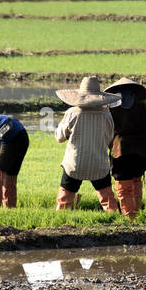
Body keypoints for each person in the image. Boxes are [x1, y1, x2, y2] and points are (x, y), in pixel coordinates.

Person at [53, 76, 120, 212]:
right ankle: (117, 224)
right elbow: (109, 139)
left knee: (64, 200)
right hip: (99, 164)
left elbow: (59, 137)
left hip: (75, 164)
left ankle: (59, 223)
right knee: (107, 199)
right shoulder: (106, 115)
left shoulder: (73, 113)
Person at [107, 77, 146, 217]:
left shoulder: (111, 108)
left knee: (124, 187)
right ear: (133, 92)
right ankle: (135, 214)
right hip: (141, 153)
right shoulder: (141, 106)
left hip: (120, 152)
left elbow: (104, 132)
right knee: (136, 182)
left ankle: (130, 218)